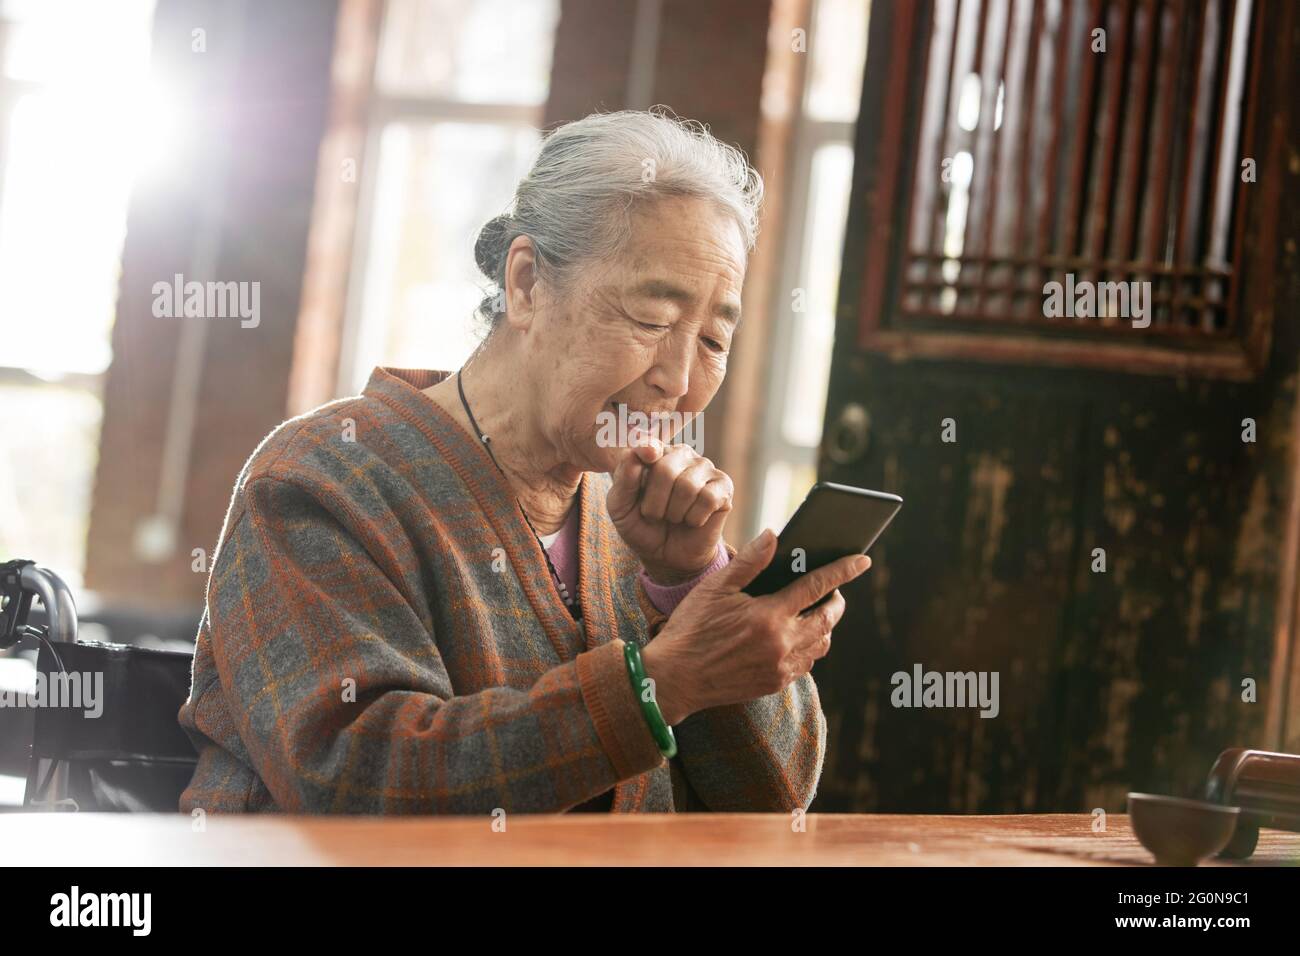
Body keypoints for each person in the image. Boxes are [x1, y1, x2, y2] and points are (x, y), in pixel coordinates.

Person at [177, 109, 870, 814]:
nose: (681, 381)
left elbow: (773, 800)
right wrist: (661, 685)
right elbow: (358, 777)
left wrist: (689, 584)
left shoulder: (644, 523)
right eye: (653, 321)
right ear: (528, 282)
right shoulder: (322, 479)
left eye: (715, 341)